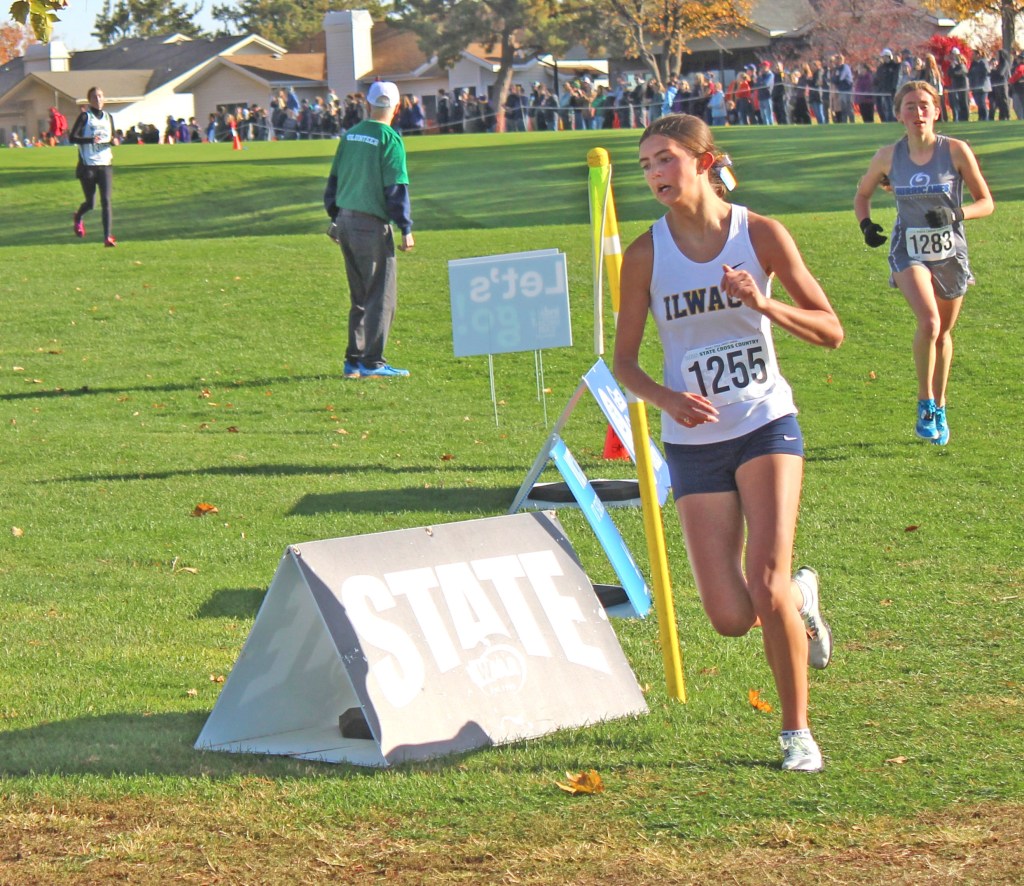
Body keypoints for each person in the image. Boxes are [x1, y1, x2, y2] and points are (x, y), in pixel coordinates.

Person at [613, 114, 844, 773]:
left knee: (763, 583)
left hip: (767, 423)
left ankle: (796, 734)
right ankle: (803, 599)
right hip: (693, 441)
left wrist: (765, 305)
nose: (654, 173)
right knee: (729, 616)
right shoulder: (645, 256)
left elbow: (830, 330)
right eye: (646, 164)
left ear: (704, 161)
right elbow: (625, 363)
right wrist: (667, 399)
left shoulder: (760, 234)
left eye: (665, 159)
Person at [854, 80, 994, 446]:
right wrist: (866, 224)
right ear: (899, 113)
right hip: (908, 250)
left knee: (943, 333)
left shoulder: (956, 151)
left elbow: (986, 202)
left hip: (950, 251)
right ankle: (924, 402)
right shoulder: (888, 156)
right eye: (911, 106)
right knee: (929, 322)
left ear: (936, 110)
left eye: (924, 105)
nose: (918, 112)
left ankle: (941, 405)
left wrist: (955, 215)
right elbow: (862, 194)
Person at [323, 81, 415, 379]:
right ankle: (372, 361)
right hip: (370, 224)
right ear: (397, 107)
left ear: (368, 105)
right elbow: (395, 189)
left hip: (345, 222)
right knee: (381, 293)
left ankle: (353, 360)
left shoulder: (350, 136)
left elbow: (333, 182)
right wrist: (405, 227)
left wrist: (335, 218)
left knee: (359, 294)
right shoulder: (390, 139)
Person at [69, 86, 117, 247]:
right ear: (89, 100)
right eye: (95, 97)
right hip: (88, 165)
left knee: (106, 201)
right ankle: (78, 217)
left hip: (105, 164)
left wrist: (114, 141)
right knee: (91, 203)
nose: (98, 99)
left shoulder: (109, 117)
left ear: (104, 98)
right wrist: (90, 140)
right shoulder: (85, 117)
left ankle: (107, 237)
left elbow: (112, 136)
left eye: (101, 96)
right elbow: (72, 137)